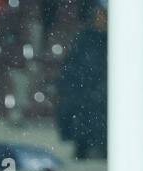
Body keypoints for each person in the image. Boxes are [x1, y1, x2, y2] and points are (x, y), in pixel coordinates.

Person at [57, 1, 108, 160]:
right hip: (85, 101)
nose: (101, 18)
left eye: (104, 14)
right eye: (99, 14)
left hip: (107, 101)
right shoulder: (84, 39)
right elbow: (72, 68)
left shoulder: (120, 40)